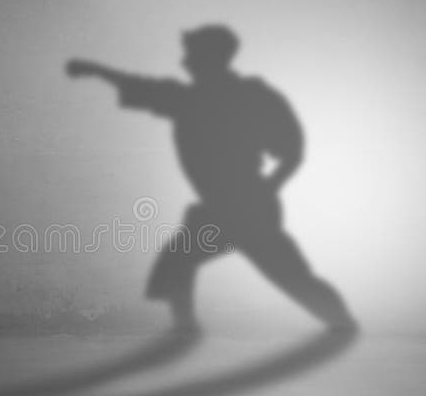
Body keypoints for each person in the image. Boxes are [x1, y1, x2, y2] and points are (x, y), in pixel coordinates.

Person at [67, 25, 357, 333]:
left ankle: (340, 320)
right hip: (219, 208)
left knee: (287, 273)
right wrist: (96, 70)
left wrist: (269, 187)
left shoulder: (250, 97)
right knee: (178, 262)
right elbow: (139, 85)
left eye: (192, 55)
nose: (185, 62)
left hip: (249, 208)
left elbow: (292, 151)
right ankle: (184, 324)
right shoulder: (188, 99)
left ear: (212, 58)